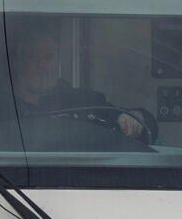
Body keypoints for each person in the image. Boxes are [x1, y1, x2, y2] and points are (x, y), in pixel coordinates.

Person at [11, 29, 147, 140]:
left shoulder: (83, 101)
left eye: (48, 57)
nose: (42, 65)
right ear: (18, 63)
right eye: (32, 57)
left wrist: (134, 119)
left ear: (57, 63)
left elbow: (143, 125)